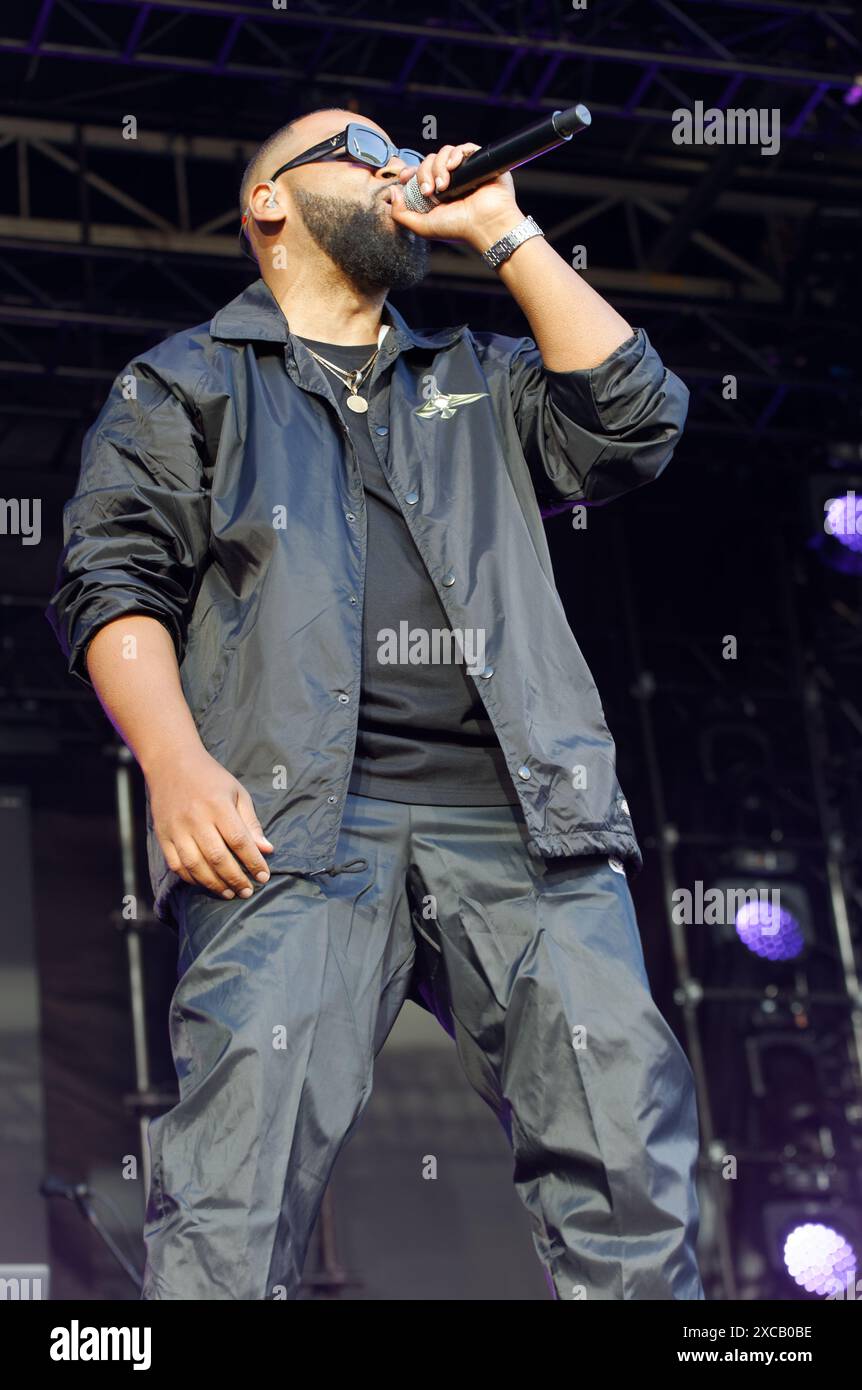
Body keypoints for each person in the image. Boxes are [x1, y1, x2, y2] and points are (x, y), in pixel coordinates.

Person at [46, 107, 704, 1301]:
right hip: (290, 828)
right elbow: (110, 578)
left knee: (627, 1169)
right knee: (231, 1198)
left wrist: (504, 232)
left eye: (406, 144)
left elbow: (639, 417)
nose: (398, 158)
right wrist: (176, 764)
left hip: (527, 822)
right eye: (361, 143)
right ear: (269, 204)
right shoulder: (185, 382)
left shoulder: (477, 373)